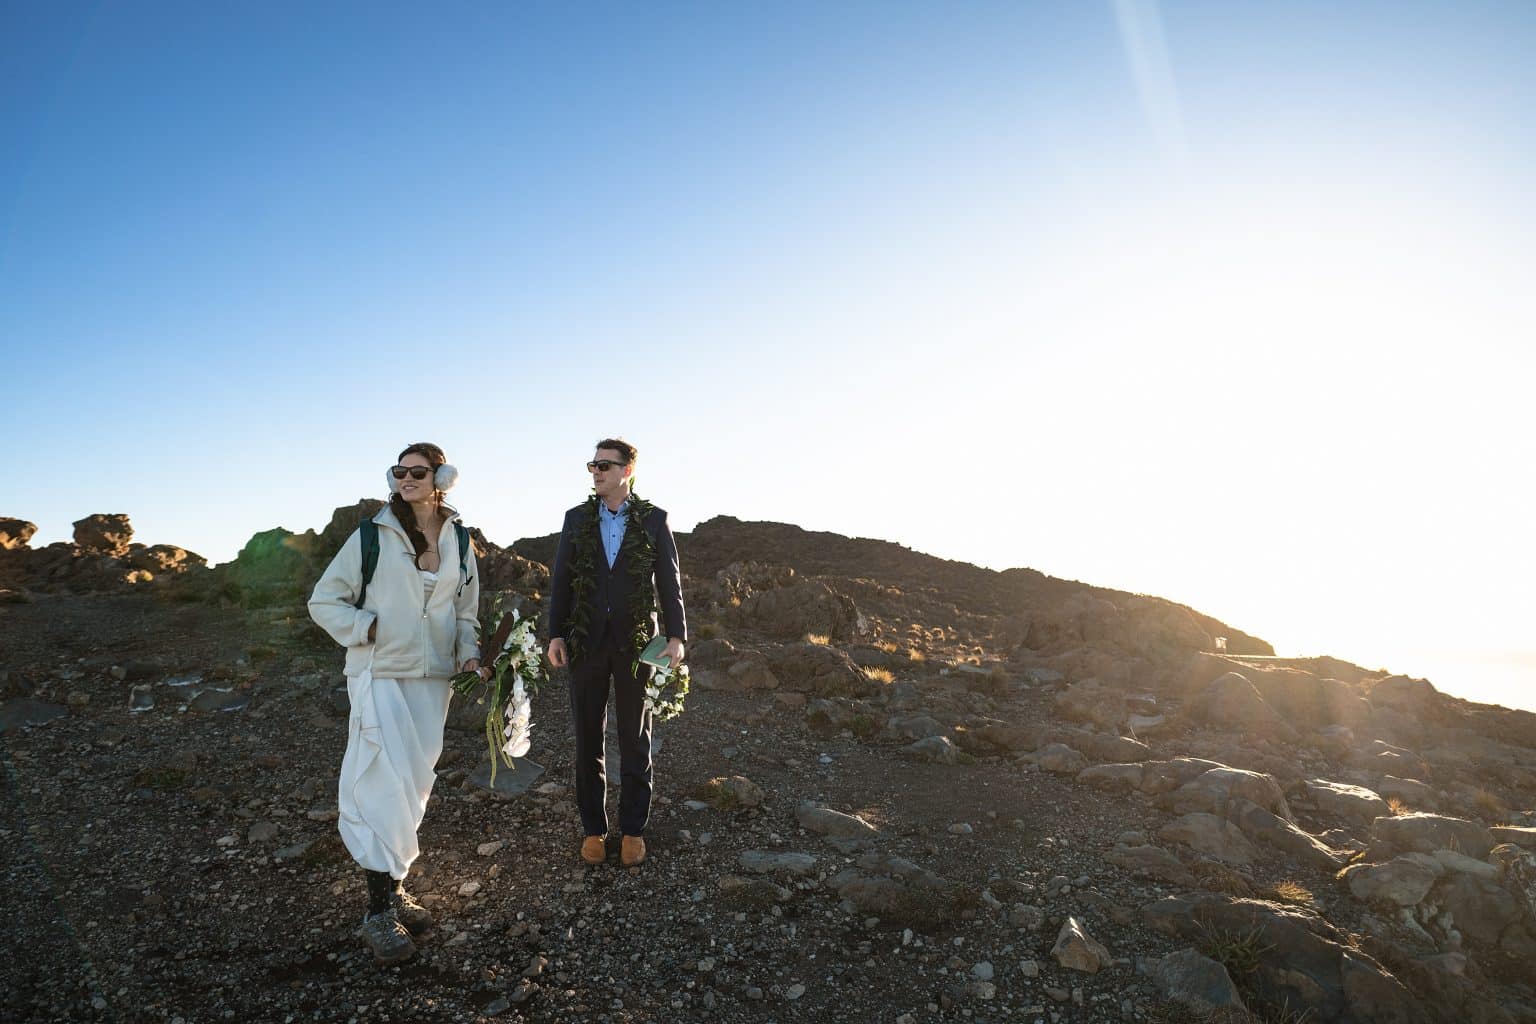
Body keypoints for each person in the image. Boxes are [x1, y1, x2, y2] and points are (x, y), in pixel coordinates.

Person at [308, 442, 483, 965]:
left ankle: (396, 887)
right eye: (399, 471)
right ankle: (378, 912)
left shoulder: (459, 539)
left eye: (417, 472)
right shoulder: (371, 535)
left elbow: (466, 610)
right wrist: (370, 627)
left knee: (414, 786)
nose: (406, 478)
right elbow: (324, 600)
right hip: (380, 672)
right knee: (381, 779)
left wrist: (471, 656)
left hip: (434, 679)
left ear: (441, 477)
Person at [546, 438, 686, 868]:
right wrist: (555, 635)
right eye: (593, 465)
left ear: (628, 470)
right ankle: (593, 830)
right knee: (588, 738)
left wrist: (677, 635)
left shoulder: (653, 520)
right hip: (585, 643)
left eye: (605, 465)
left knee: (635, 738)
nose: (596, 471)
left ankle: (632, 831)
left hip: (637, 646)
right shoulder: (575, 519)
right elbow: (562, 582)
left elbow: (669, 582)